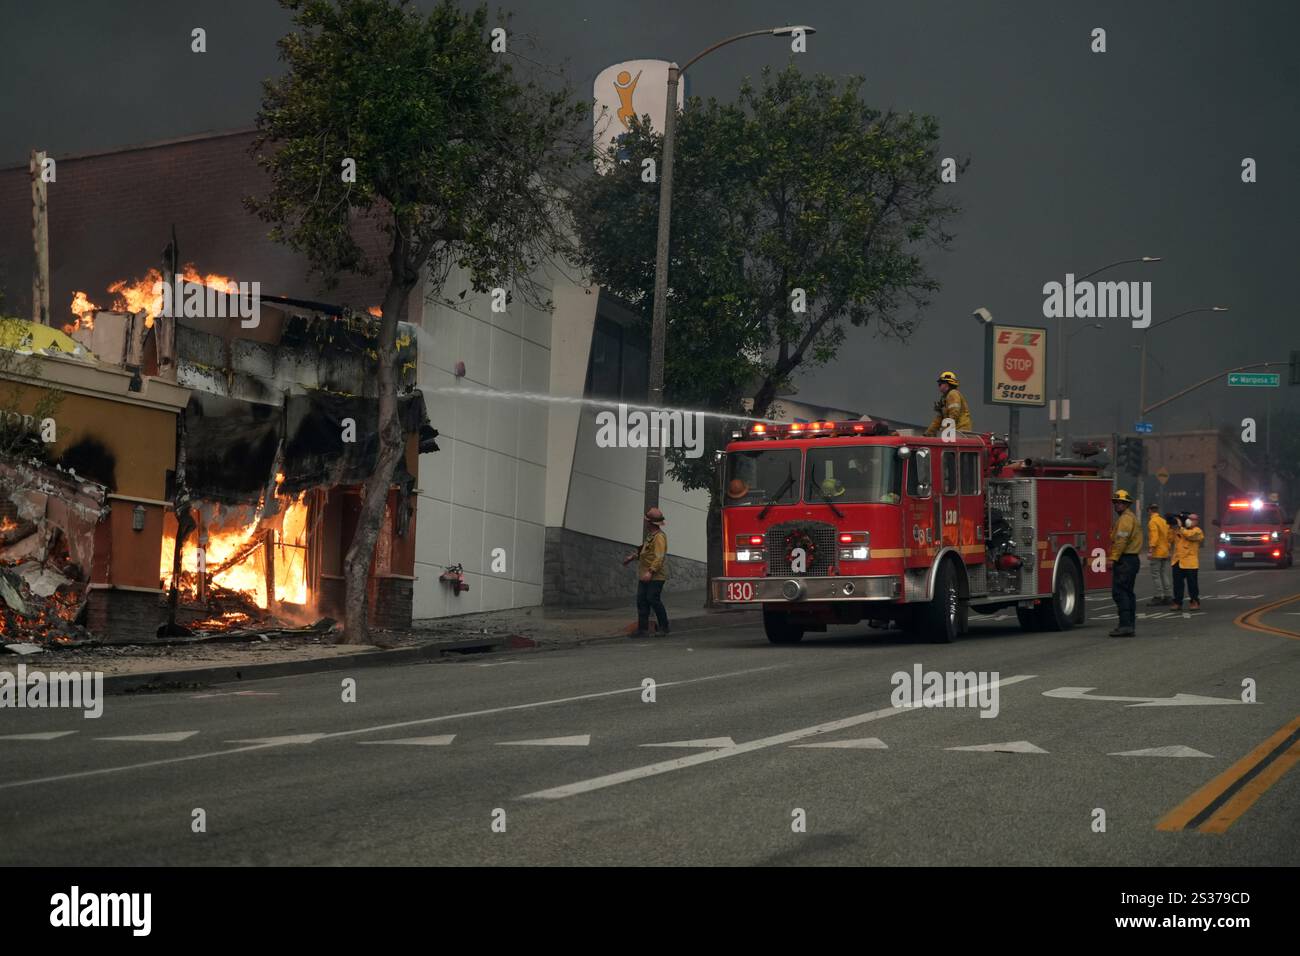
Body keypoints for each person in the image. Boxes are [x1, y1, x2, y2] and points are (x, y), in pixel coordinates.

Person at [622, 507, 669, 636]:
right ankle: (642, 629)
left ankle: (664, 627)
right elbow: (645, 552)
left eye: (647, 521)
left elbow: (659, 557)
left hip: (655, 576)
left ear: (650, 523)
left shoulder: (659, 537)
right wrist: (632, 557)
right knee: (641, 601)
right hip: (644, 574)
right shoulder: (651, 536)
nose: (645, 523)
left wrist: (650, 572)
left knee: (653, 599)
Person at [1107, 489, 1142, 637]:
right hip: (1130, 560)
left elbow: (1121, 540)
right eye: (1115, 502)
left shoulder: (1125, 519)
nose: (1117, 505)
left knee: (1120, 592)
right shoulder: (1127, 518)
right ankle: (1129, 625)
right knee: (1127, 592)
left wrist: (1113, 558)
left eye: (1121, 502)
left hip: (1126, 560)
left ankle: (1125, 625)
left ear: (1127, 504)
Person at [1170, 512, 1204, 611]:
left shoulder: (1197, 531)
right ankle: (1177, 602)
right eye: (1189, 519)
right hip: (1177, 560)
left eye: (1193, 519)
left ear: (1197, 521)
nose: (1190, 521)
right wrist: (1172, 526)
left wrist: (1180, 528)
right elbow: (1169, 539)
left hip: (1190, 562)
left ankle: (1194, 601)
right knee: (1177, 584)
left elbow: (1189, 535)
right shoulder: (1179, 530)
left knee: (1192, 584)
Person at [924, 370, 972, 436]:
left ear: (946, 384)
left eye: (940, 384)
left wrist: (945, 431)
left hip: (960, 432)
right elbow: (938, 419)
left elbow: (954, 414)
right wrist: (927, 434)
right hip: (954, 432)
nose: (938, 386)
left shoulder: (953, 394)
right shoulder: (945, 398)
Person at [1146, 504, 1172, 606]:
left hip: (1157, 552)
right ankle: (1168, 595)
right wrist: (1168, 549)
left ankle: (1158, 596)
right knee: (1163, 573)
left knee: (1155, 574)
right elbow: (1168, 537)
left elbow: (1154, 537)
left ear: (1149, 511)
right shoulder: (1163, 521)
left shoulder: (1152, 521)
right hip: (1164, 551)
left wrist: (1151, 550)